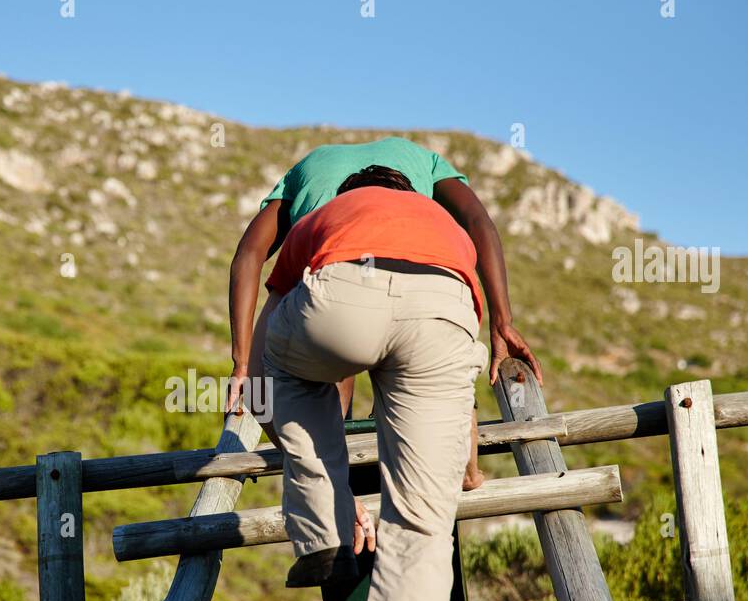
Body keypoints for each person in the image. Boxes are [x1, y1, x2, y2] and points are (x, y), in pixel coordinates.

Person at [254, 165, 535, 601]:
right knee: (422, 523)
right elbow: (457, 383)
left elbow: (271, 301)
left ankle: (325, 534)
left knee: (277, 371)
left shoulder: (327, 215)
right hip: (444, 310)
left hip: (340, 297)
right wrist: (460, 465)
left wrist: (261, 391)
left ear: (352, 191)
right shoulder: (444, 225)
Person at [226, 137, 541, 549]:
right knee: (435, 351)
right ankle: (463, 470)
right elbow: (478, 221)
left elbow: (249, 254)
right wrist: (502, 319)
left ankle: (333, 497)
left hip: (330, 284)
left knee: (290, 382)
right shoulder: (426, 161)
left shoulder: (310, 166)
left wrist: (242, 365)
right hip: (428, 287)